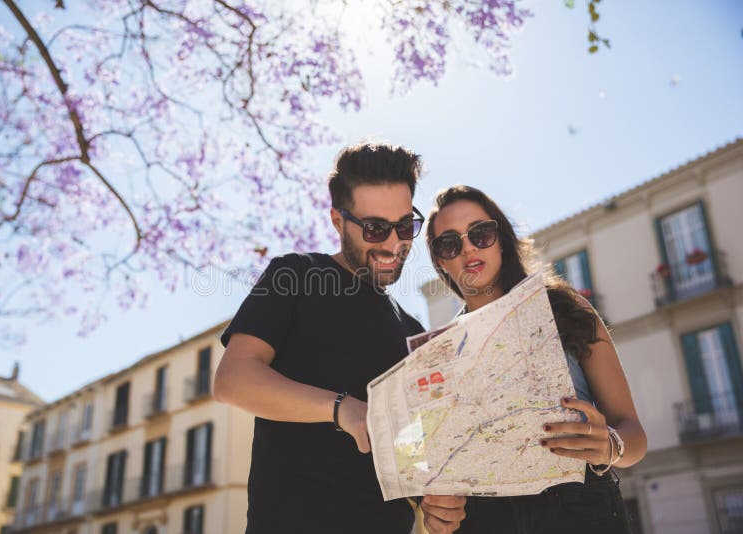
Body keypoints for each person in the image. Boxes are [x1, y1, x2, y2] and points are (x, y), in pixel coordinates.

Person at [214, 143, 466, 534]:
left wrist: (433, 503)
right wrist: (342, 408)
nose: (393, 243)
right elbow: (232, 381)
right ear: (337, 220)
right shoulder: (292, 274)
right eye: (375, 228)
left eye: (404, 226)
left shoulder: (415, 332)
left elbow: (413, 454)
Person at [425, 185, 647, 534]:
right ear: (441, 260)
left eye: (480, 233)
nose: (468, 248)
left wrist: (612, 445)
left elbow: (634, 436)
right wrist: (438, 505)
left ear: (502, 237)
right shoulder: (438, 353)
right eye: (450, 243)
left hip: (579, 508)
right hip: (484, 518)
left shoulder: (566, 309)